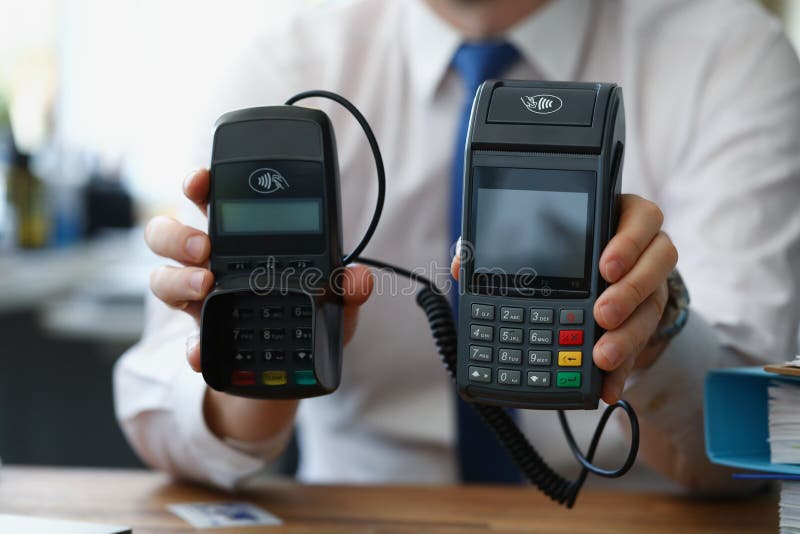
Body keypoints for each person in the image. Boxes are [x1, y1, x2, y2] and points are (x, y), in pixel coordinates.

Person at [114, 0, 800, 490]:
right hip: (362, 510)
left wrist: (659, 329)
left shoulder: (730, 51)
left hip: (620, 512)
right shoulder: (286, 64)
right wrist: (267, 366)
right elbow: (154, 411)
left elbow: (757, 447)